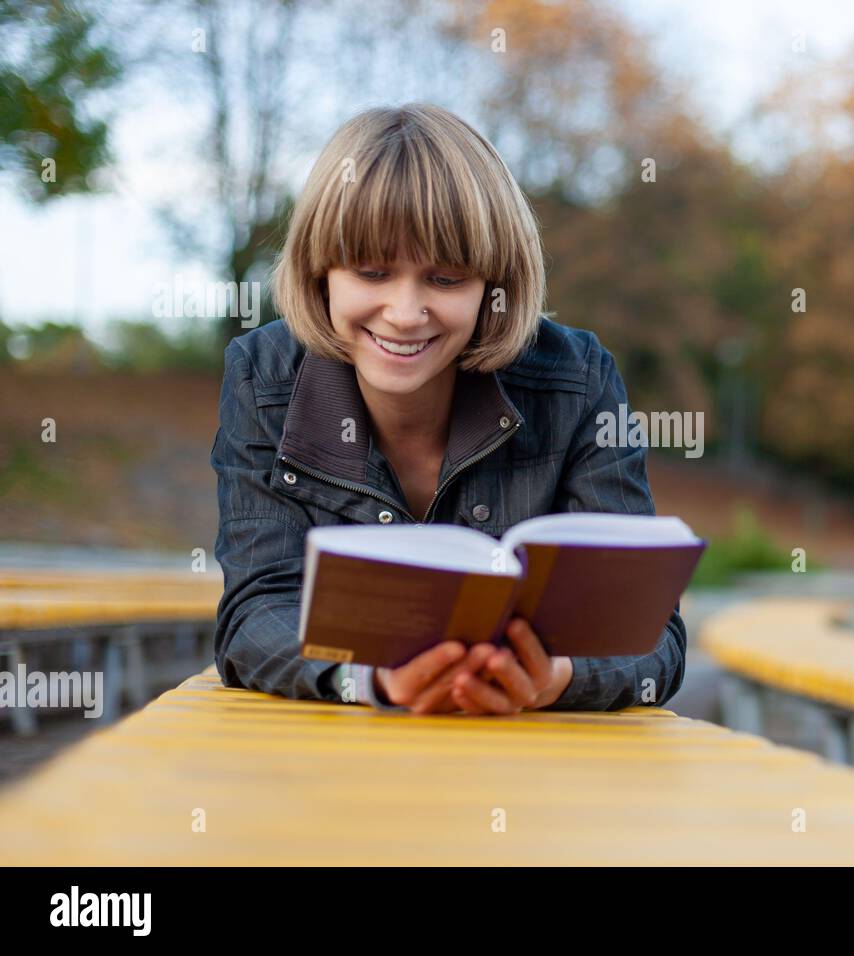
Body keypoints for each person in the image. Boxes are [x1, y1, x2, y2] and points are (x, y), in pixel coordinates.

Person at [210, 103, 687, 715]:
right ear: (318, 271)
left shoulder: (578, 378)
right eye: (372, 271)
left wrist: (557, 678)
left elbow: (650, 634)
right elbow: (255, 608)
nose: (405, 313)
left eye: (445, 279)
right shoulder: (262, 376)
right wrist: (371, 681)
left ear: (494, 284)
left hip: (532, 768)